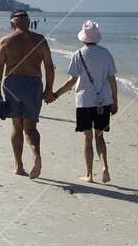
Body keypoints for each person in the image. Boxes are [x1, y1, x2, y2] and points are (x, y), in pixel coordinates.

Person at [48, 20, 118, 183]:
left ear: (83, 37)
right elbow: (112, 79)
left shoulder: (78, 54)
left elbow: (72, 80)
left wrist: (55, 95)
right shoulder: (106, 53)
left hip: (84, 101)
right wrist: (115, 101)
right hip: (104, 101)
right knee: (99, 137)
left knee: (88, 138)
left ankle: (89, 174)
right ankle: (105, 167)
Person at [0, 10, 56, 178]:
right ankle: (36, 155)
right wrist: (49, 90)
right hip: (33, 84)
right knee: (30, 127)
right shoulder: (40, 40)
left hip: (13, 83)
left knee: (16, 126)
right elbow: (49, 66)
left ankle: (19, 166)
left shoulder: (6, 41)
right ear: (28, 23)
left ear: (12, 25)